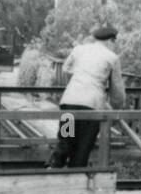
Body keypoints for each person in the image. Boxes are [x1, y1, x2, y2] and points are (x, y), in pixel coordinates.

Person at [47, 25, 126, 168]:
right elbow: (117, 92)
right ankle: (76, 178)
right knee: (82, 148)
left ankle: (52, 168)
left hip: (68, 104)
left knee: (65, 139)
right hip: (91, 109)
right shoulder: (112, 58)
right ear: (110, 41)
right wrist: (116, 107)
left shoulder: (79, 50)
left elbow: (65, 69)